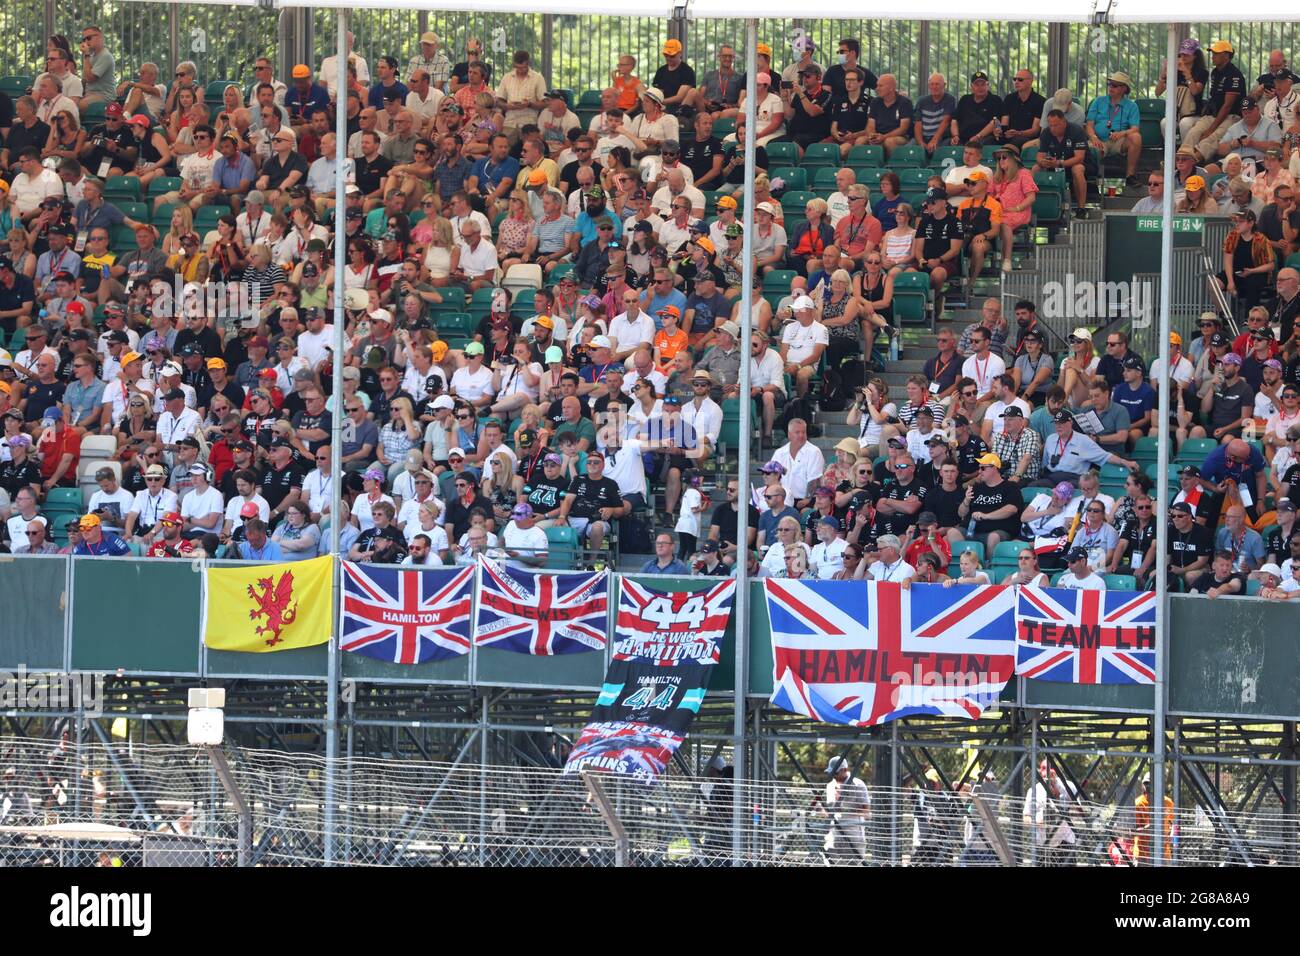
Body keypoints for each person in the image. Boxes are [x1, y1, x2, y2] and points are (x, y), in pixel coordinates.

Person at [822, 756, 869, 865]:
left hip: (854, 836)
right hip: (834, 836)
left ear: (845, 770)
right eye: (832, 773)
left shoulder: (858, 784)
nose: (833, 776)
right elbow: (829, 811)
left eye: (835, 773)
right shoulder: (830, 786)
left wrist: (843, 808)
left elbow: (865, 811)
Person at [1132, 773, 1175, 865]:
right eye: (1146, 783)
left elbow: (1173, 823)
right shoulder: (1138, 803)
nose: (1148, 786)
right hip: (1143, 854)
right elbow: (1133, 831)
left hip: (1164, 853)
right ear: (1142, 785)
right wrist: (1147, 828)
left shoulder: (1168, 803)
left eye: (1151, 783)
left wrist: (1172, 834)